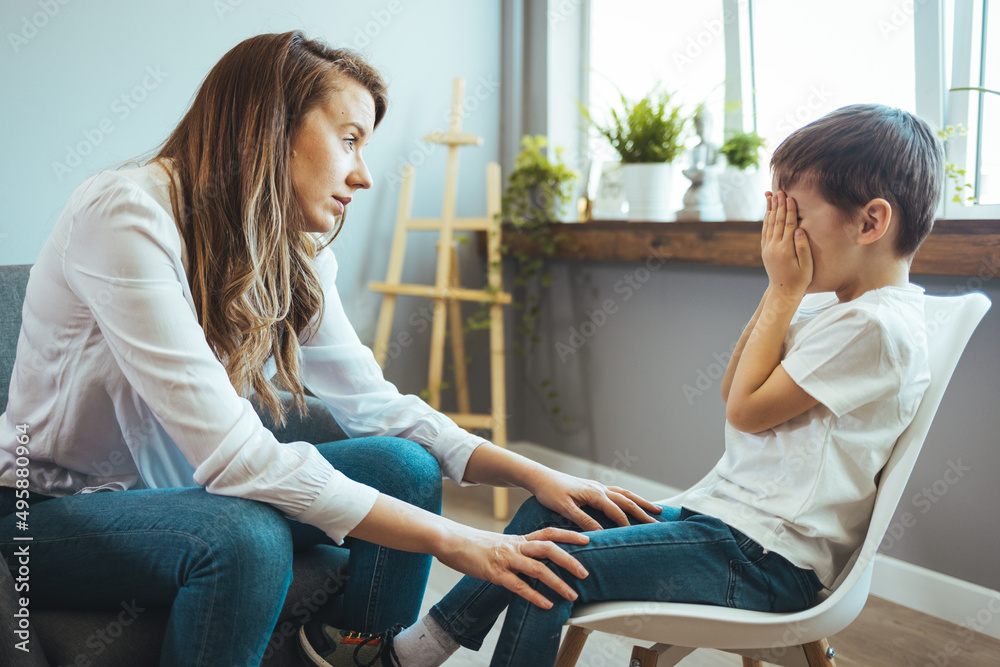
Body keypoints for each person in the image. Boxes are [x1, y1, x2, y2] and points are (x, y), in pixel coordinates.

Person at [0, 31, 662, 667]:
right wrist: (462, 541)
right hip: (49, 511)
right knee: (246, 541)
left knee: (404, 464)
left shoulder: (294, 249)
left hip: (180, 490)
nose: (364, 175)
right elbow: (237, 459)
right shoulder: (124, 213)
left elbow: (375, 405)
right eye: (349, 140)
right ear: (269, 127)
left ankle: (355, 654)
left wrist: (536, 473)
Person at [300, 103, 943, 667]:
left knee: (551, 566)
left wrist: (781, 292)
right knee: (562, 509)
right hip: (724, 524)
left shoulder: (877, 328)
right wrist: (784, 294)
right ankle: (419, 651)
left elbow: (746, 411)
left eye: (792, 217)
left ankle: (412, 654)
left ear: (870, 222)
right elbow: (732, 387)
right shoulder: (829, 305)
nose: (776, 236)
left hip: (768, 559)